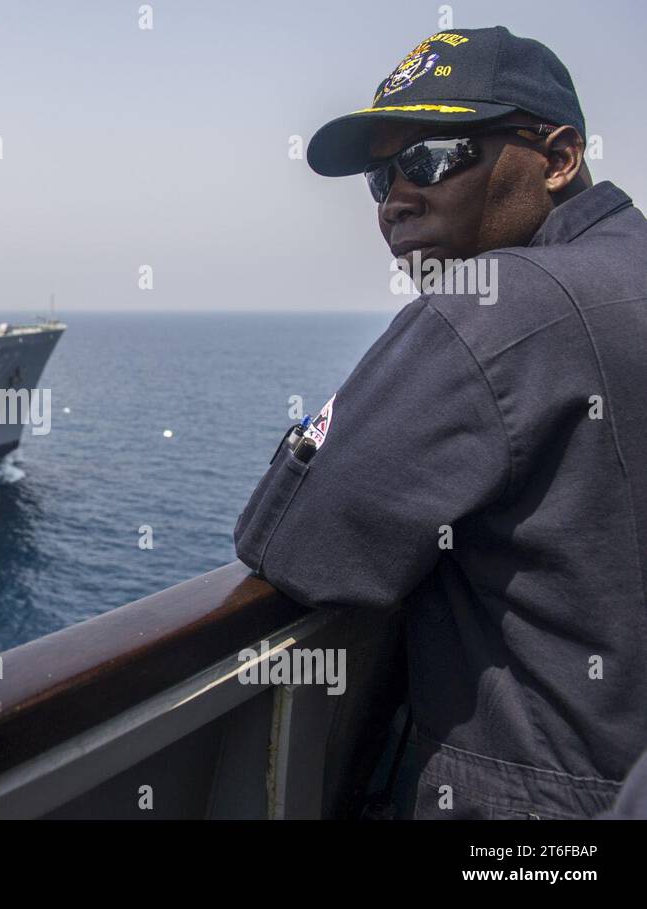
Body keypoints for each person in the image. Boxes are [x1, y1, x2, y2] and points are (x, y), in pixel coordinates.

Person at [234, 26, 647, 819]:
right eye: (381, 177)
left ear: (557, 158)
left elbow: (297, 543)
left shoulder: (497, 302)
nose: (397, 199)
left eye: (430, 158)